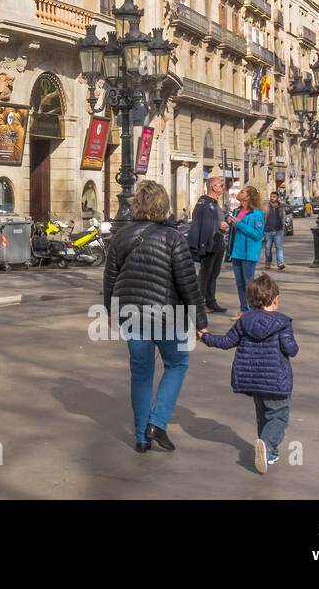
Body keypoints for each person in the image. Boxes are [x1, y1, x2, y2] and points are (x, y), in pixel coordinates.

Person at [102, 180, 208, 454]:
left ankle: (141, 437)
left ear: (137, 204)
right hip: (167, 314)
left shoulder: (121, 237)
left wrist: (111, 312)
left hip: (131, 313)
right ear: (164, 206)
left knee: (141, 373)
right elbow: (188, 283)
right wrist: (200, 322)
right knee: (177, 364)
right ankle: (157, 423)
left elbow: (110, 280)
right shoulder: (174, 238)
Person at [201, 272, 298, 475]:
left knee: (263, 414)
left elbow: (227, 342)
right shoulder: (282, 322)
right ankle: (267, 445)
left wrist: (206, 337)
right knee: (279, 416)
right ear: (275, 300)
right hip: (276, 380)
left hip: (252, 380)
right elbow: (291, 350)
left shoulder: (244, 321)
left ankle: (269, 452)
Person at [188, 176, 229, 313]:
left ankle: (211, 301)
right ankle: (200, 303)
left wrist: (222, 226)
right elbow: (201, 224)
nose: (223, 187)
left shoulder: (215, 202)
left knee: (213, 274)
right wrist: (203, 246)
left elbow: (213, 222)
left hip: (218, 243)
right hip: (209, 244)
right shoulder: (204, 202)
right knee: (205, 274)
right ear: (214, 187)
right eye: (221, 185)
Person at [226, 185, 264, 317]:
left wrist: (239, 224)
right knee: (239, 283)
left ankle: (253, 311)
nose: (239, 192)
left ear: (248, 196)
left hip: (248, 254)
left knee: (249, 284)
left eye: (242, 191)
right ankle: (243, 310)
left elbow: (257, 234)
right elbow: (234, 232)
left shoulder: (257, 214)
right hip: (236, 252)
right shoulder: (237, 211)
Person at [262, 191, 286, 272]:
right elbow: (262, 217)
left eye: (274, 197)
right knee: (268, 248)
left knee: (279, 247)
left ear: (277, 198)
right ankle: (268, 263)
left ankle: (280, 263)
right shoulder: (266, 206)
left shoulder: (281, 206)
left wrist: (283, 229)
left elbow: (283, 217)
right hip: (268, 231)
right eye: (271, 196)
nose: (272, 198)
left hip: (278, 230)